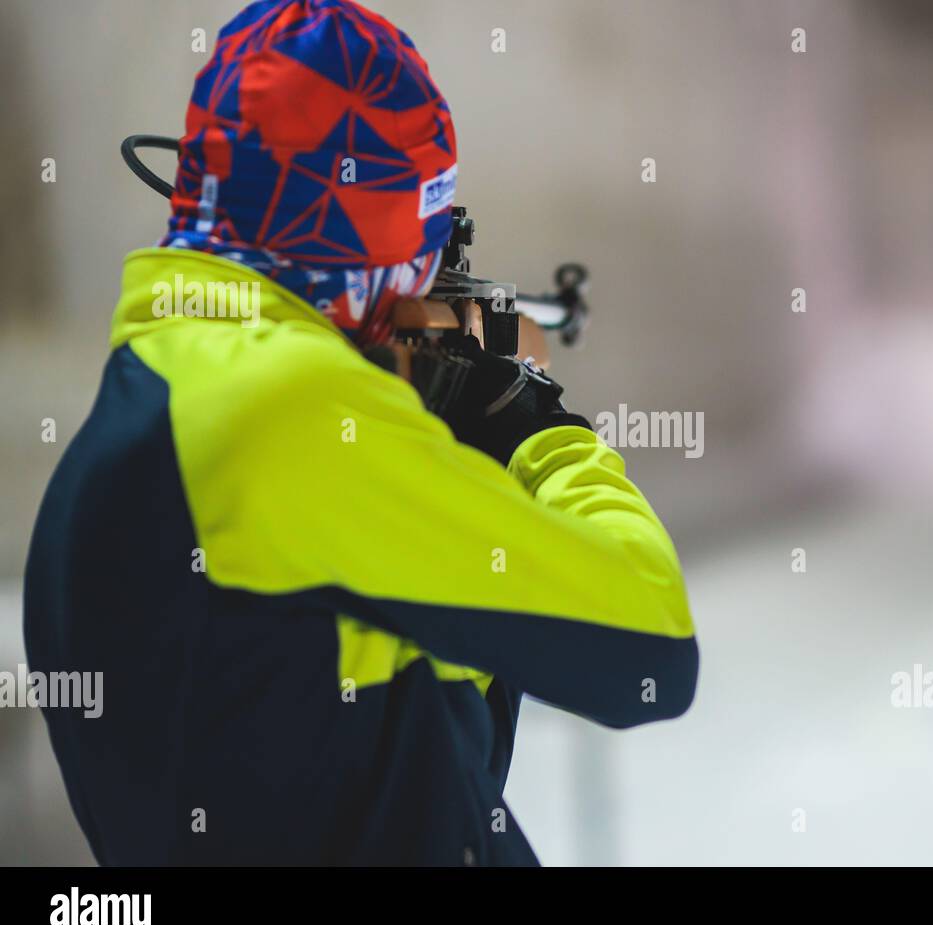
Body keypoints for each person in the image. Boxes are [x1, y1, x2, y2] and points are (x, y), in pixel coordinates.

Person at [23, 0, 697, 866]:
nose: (423, 266)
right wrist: (537, 427)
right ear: (366, 219)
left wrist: (422, 442)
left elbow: (379, 710)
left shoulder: (151, 401)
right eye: (425, 217)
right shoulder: (294, 411)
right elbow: (650, 648)